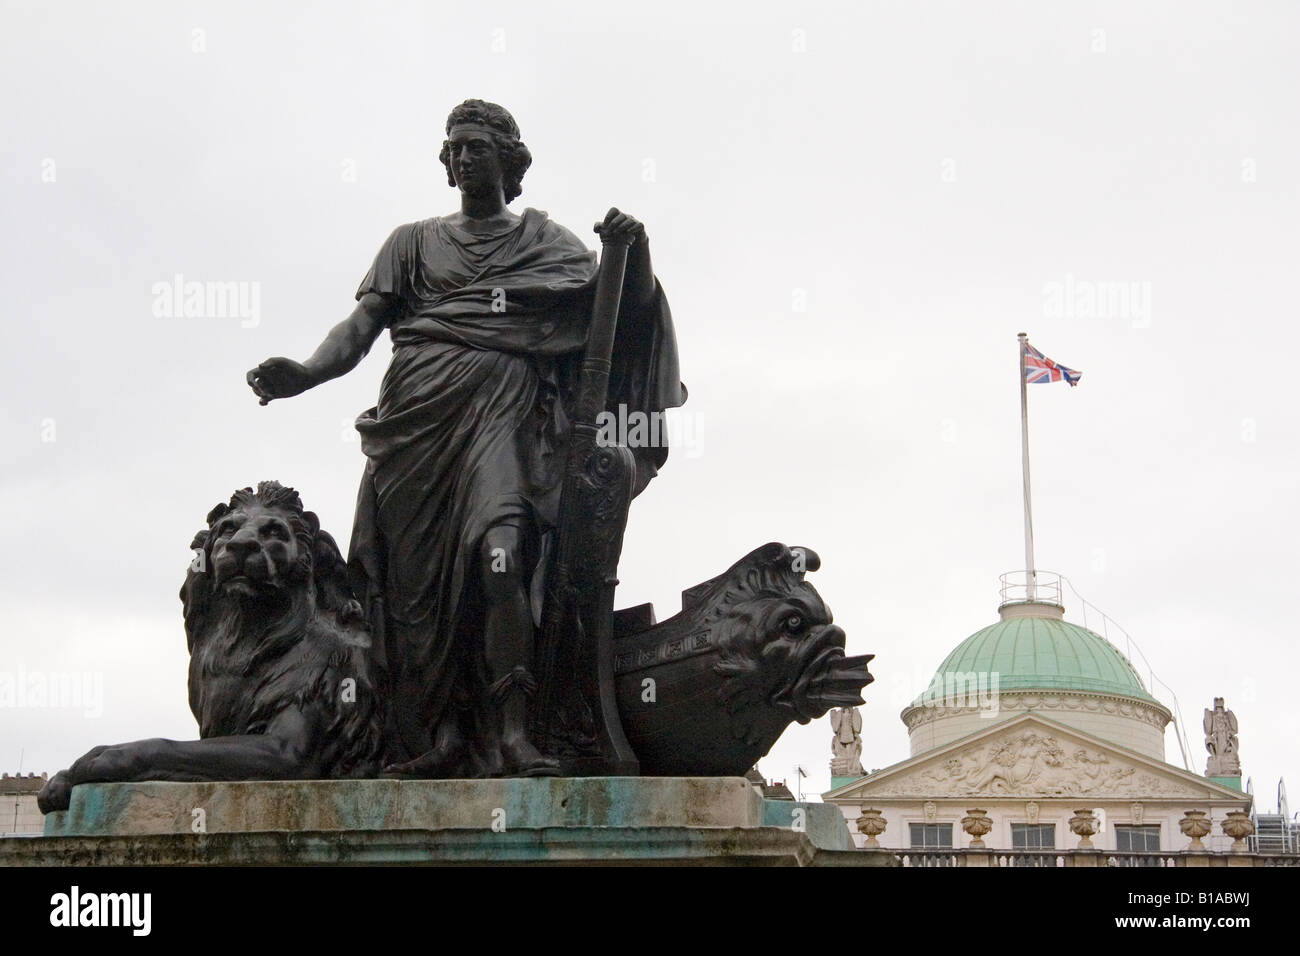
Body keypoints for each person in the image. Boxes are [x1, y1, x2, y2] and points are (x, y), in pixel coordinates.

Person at [247, 100, 683, 778]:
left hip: (501, 421)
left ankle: (512, 732)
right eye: (454, 147)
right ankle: (442, 738)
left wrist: (637, 249)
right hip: (415, 426)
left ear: (510, 161)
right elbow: (359, 331)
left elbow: (620, 308)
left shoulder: (546, 240)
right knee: (416, 598)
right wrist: (305, 373)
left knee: (501, 554)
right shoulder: (410, 243)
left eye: (478, 145)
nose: (463, 156)